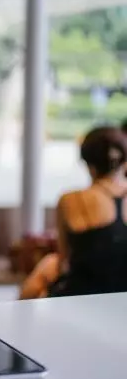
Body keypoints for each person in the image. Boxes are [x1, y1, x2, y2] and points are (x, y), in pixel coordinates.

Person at [44, 126, 127, 297]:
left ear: (88, 164)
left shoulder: (70, 200)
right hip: (121, 303)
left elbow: (63, 262)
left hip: (80, 299)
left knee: (42, 275)